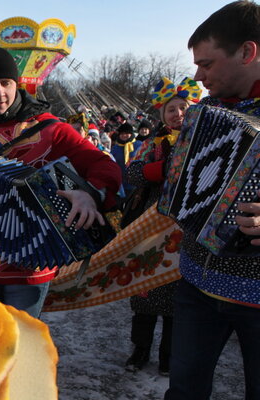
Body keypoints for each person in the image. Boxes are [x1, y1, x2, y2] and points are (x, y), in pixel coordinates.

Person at [0, 47, 122, 318]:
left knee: (21, 339)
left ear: (17, 84)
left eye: (5, 83)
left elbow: (103, 165)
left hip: (32, 262)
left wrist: (88, 193)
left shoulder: (50, 130)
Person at [165, 2, 260, 399]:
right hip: (197, 282)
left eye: (206, 64)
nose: (198, 76)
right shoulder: (205, 111)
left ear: (247, 52)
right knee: (184, 390)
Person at [122, 77, 201, 375]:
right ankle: (140, 349)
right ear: (162, 115)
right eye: (171, 109)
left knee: (177, 298)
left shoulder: (204, 142)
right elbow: (132, 174)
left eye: (183, 108)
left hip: (187, 227)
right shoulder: (151, 144)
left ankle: (169, 355)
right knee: (144, 292)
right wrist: (160, 170)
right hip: (151, 227)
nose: (178, 114)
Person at [110, 122, 140, 194]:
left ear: (131, 134)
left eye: (126, 133)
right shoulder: (115, 148)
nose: (124, 135)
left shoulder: (139, 145)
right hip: (120, 182)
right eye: (122, 134)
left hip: (135, 182)